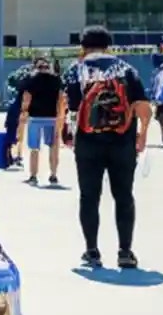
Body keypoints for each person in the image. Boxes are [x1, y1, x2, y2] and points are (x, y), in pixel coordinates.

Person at [64, 25, 151, 269]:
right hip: (123, 142)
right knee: (123, 196)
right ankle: (125, 251)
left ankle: (92, 251)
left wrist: (67, 134)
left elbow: (68, 107)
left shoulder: (76, 70)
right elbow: (143, 107)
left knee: (89, 197)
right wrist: (142, 134)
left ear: (83, 47)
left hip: (88, 143)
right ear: (108, 45)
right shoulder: (126, 69)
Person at [18, 56, 66, 186]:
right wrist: (61, 116)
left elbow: (27, 98)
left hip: (35, 118)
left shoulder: (32, 80)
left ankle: (33, 176)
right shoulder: (56, 80)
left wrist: (24, 112)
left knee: (34, 148)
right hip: (52, 118)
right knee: (53, 147)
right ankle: (53, 175)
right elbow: (61, 98)